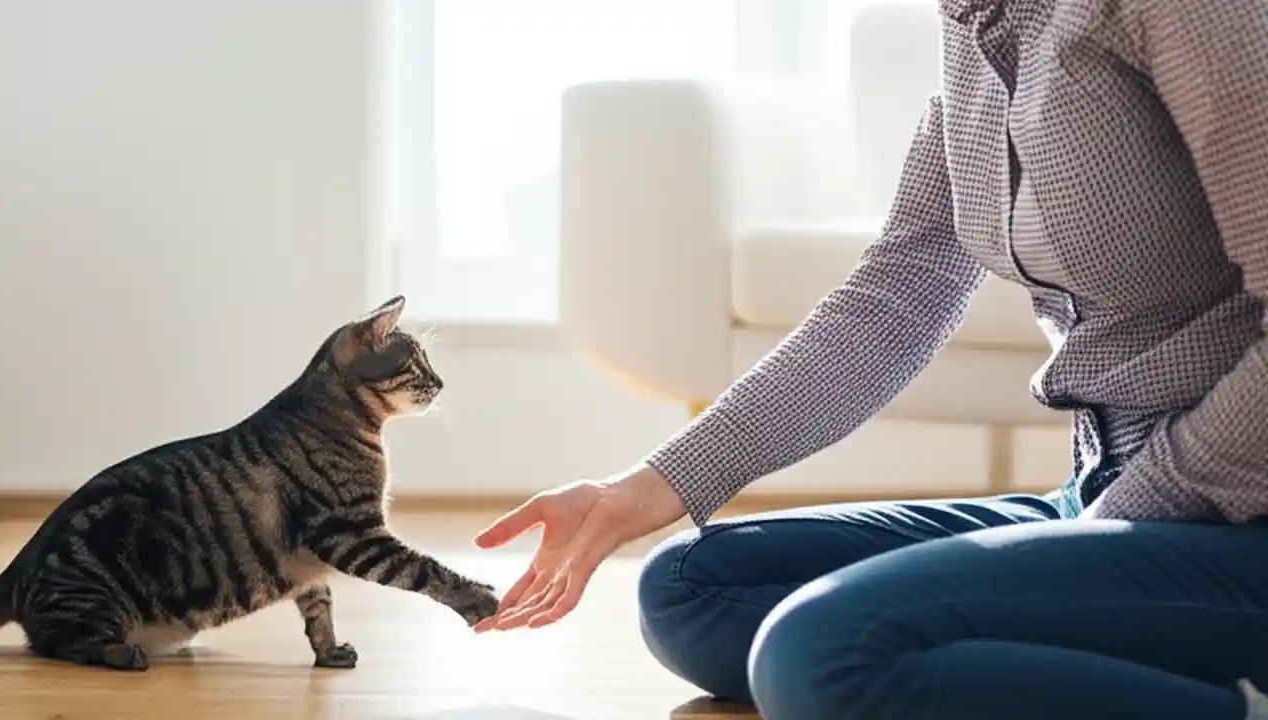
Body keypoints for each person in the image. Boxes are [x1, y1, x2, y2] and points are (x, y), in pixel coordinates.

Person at [473, 0, 1268, 717]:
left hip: (1227, 517)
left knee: (819, 653)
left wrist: (1127, 515)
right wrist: (647, 487)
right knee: (694, 591)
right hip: (1100, 499)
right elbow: (895, 297)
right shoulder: (975, 28)